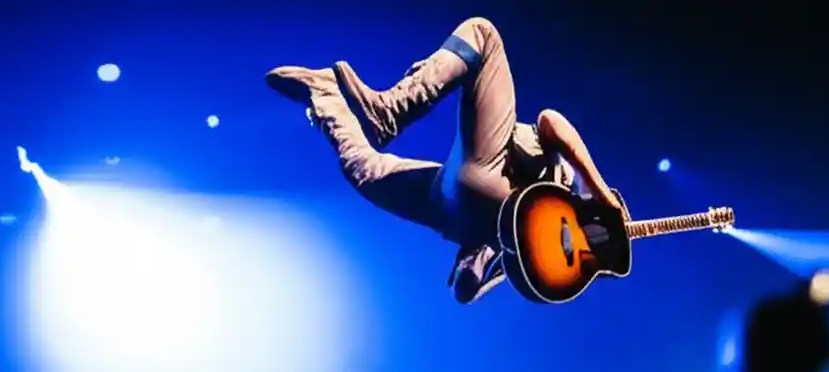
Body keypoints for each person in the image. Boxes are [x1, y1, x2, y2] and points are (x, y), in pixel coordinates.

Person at [265, 17, 622, 305]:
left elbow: (551, 121)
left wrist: (602, 194)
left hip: (487, 181)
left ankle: (390, 110)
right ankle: (327, 97)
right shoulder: (546, 229)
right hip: (456, 214)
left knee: (482, 34)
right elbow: (540, 274)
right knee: (367, 171)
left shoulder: (564, 188)